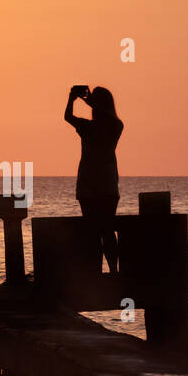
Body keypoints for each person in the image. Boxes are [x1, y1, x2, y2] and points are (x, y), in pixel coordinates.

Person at [64, 85, 123, 272]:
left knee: (93, 232)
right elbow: (109, 119)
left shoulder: (88, 127)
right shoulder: (115, 126)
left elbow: (68, 117)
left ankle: (95, 272)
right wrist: (90, 102)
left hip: (88, 185)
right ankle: (114, 271)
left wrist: (73, 99)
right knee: (107, 229)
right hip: (107, 185)